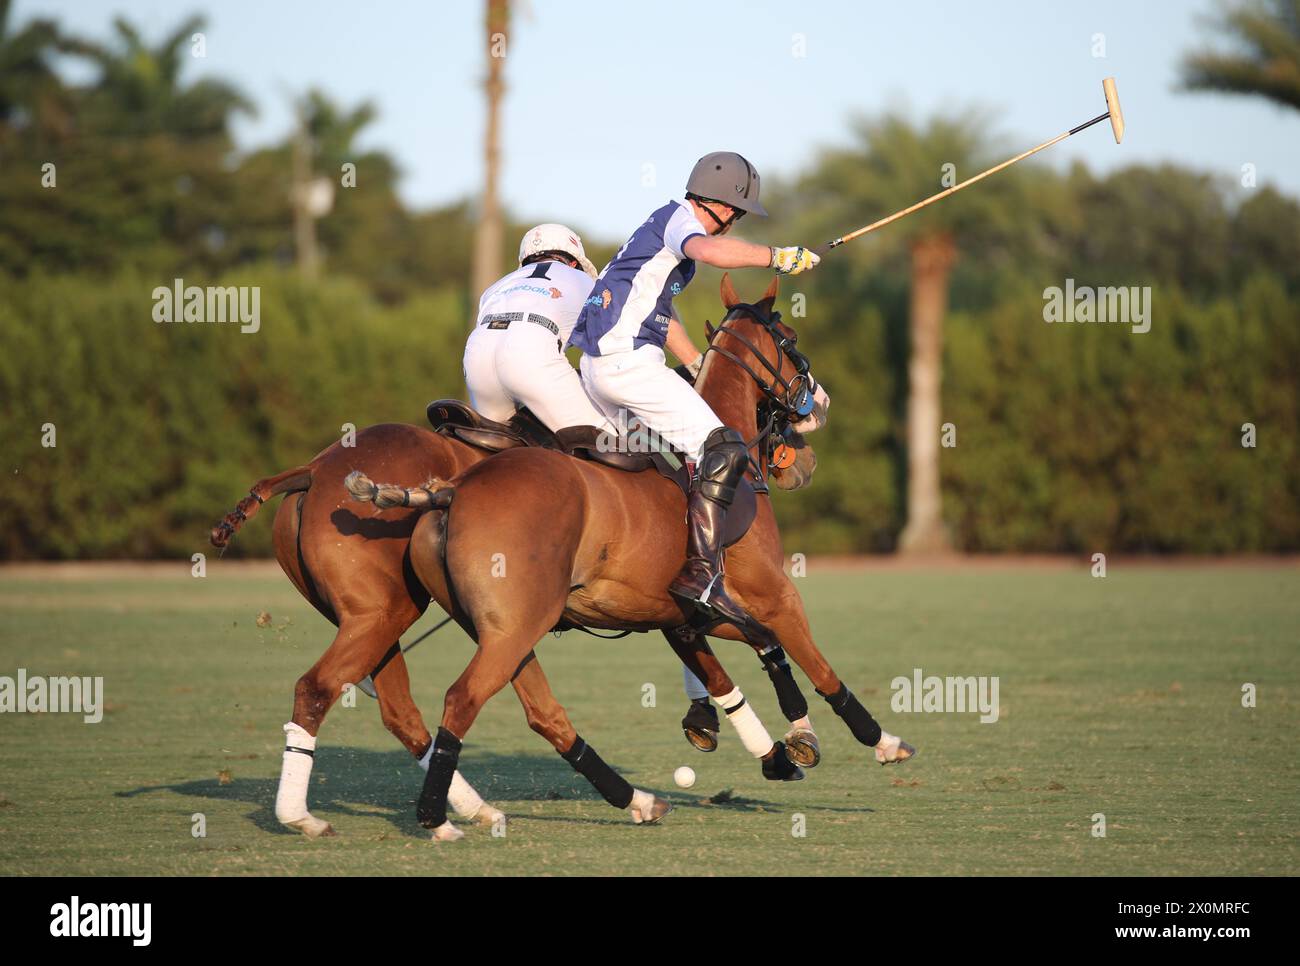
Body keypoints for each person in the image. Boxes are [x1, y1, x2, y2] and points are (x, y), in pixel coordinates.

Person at [568, 151, 820, 623]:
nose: (735, 222)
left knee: (662, 470)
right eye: (739, 213)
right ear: (724, 207)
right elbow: (708, 251)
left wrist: (693, 363)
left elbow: (660, 315)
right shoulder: (681, 222)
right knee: (724, 447)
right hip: (628, 366)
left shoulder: (656, 236)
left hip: (600, 370)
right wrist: (777, 257)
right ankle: (701, 574)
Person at [462, 224, 614, 434]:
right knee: (607, 440)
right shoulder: (586, 281)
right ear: (573, 262)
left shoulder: (498, 285)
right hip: (532, 355)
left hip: (477, 358)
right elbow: (609, 348)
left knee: (494, 446)